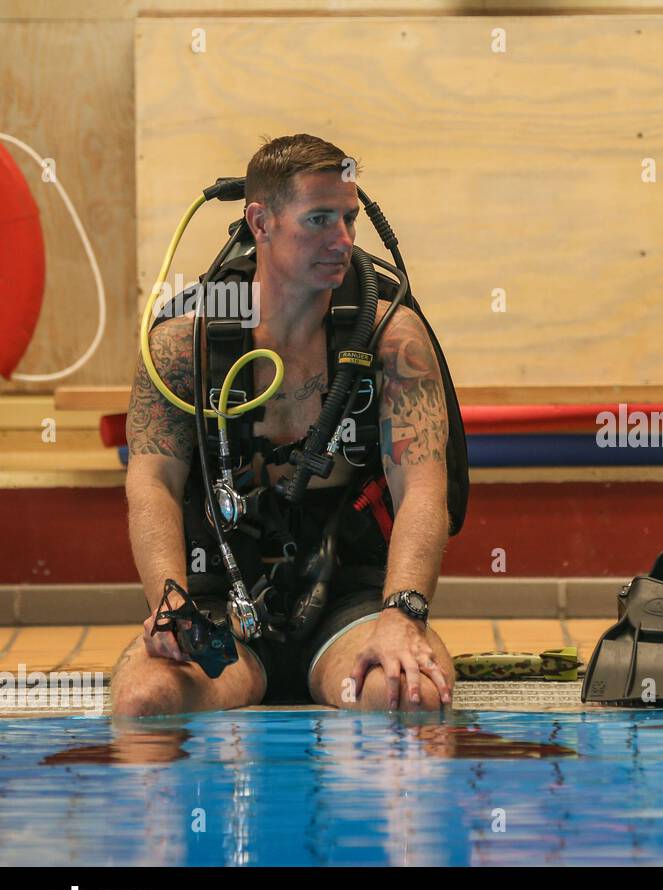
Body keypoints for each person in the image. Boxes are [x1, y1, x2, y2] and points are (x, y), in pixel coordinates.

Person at [112, 134, 455, 717]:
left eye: (349, 219)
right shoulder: (184, 346)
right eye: (319, 219)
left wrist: (403, 614)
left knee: (409, 698)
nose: (342, 241)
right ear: (261, 222)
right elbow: (153, 484)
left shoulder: (392, 342)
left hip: (354, 599)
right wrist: (171, 600)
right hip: (223, 599)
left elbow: (422, 489)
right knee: (148, 702)